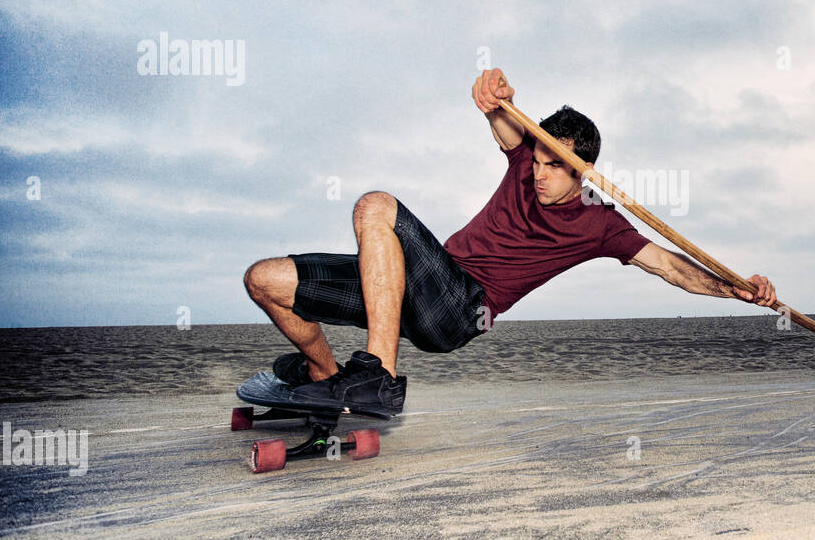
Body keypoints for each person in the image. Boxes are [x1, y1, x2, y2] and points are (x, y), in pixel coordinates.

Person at [242, 69, 777, 414]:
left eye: (554, 167)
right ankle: (326, 375)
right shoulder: (525, 158)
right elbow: (503, 121)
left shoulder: (602, 224)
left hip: (458, 310)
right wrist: (495, 96)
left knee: (376, 205)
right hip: (409, 287)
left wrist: (734, 289)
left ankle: (377, 377)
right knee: (264, 280)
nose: (540, 174)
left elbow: (670, 266)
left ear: (583, 171)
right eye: (538, 160)